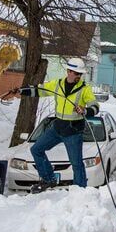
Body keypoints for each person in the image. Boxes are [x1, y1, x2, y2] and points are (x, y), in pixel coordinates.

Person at [17, 57, 97, 193]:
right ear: (69, 72)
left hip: (73, 131)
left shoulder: (85, 89)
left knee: (76, 164)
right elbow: (39, 90)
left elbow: (95, 106)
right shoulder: (57, 84)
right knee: (36, 149)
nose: (79, 76)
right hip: (57, 128)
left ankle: (80, 192)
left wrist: (85, 110)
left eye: (80, 74)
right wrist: (21, 91)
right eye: (76, 73)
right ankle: (49, 179)